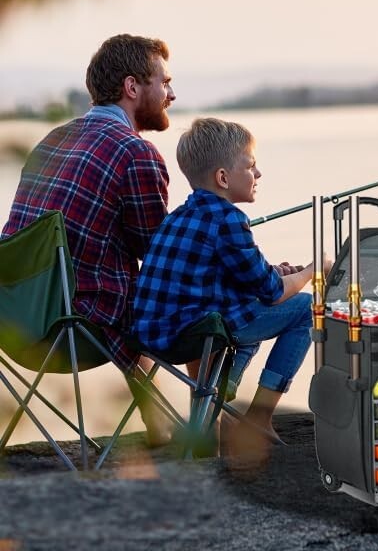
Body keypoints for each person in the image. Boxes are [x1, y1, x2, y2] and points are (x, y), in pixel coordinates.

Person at [2, 33, 176, 445]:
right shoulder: (136, 153)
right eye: (165, 82)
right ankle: (202, 429)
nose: (171, 94)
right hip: (72, 331)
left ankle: (159, 423)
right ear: (132, 87)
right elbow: (159, 259)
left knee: (115, 284)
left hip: (15, 320)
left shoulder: (51, 140)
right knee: (179, 292)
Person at [130, 117, 328, 459]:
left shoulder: (176, 216)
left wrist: (276, 273)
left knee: (248, 306)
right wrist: (313, 271)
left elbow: (233, 275)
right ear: (223, 178)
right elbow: (271, 292)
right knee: (306, 308)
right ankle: (259, 416)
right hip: (194, 336)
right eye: (250, 166)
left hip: (151, 337)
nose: (258, 174)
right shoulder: (229, 220)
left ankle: (216, 403)